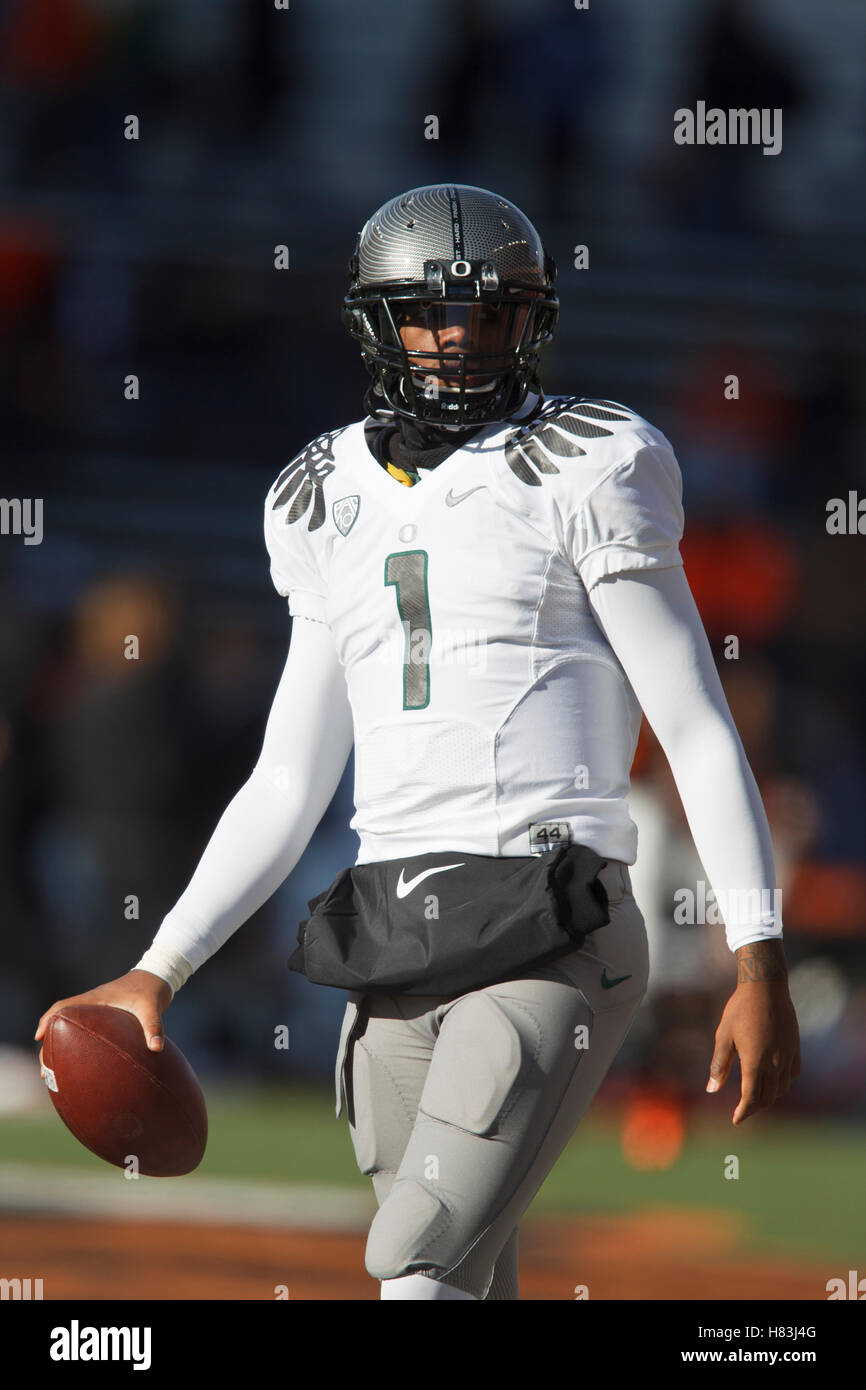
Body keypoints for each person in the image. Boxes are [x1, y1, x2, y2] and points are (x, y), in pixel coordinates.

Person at [35, 183, 800, 1301]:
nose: (457, 339)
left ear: (528, 321)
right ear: (372, 325)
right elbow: (289, 779)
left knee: (416, 1262)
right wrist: (160, 969)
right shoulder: (319, 495)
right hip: (391, 934)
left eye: (488, 314)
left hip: (554, 917)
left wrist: (757, 953)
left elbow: (691, 724)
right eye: (430, 315)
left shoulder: (588, 464)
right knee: (467, 1281)